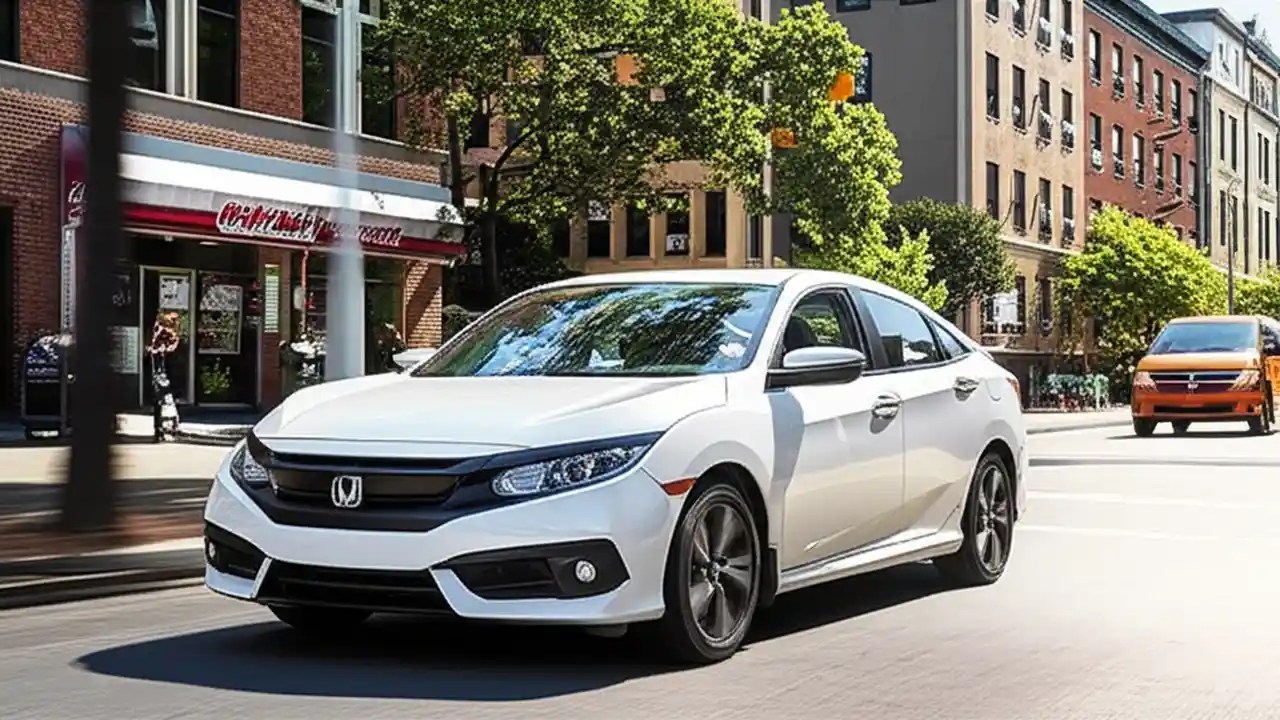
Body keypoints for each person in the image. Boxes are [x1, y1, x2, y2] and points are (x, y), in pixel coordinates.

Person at [147, 311, 180, 439]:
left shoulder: (167, 335)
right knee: (163, 400)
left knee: (162, 401)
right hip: (163, 374)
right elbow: (159, 349)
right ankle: (162, 428)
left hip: (164, 373)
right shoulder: (166, 333)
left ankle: (161, 428)